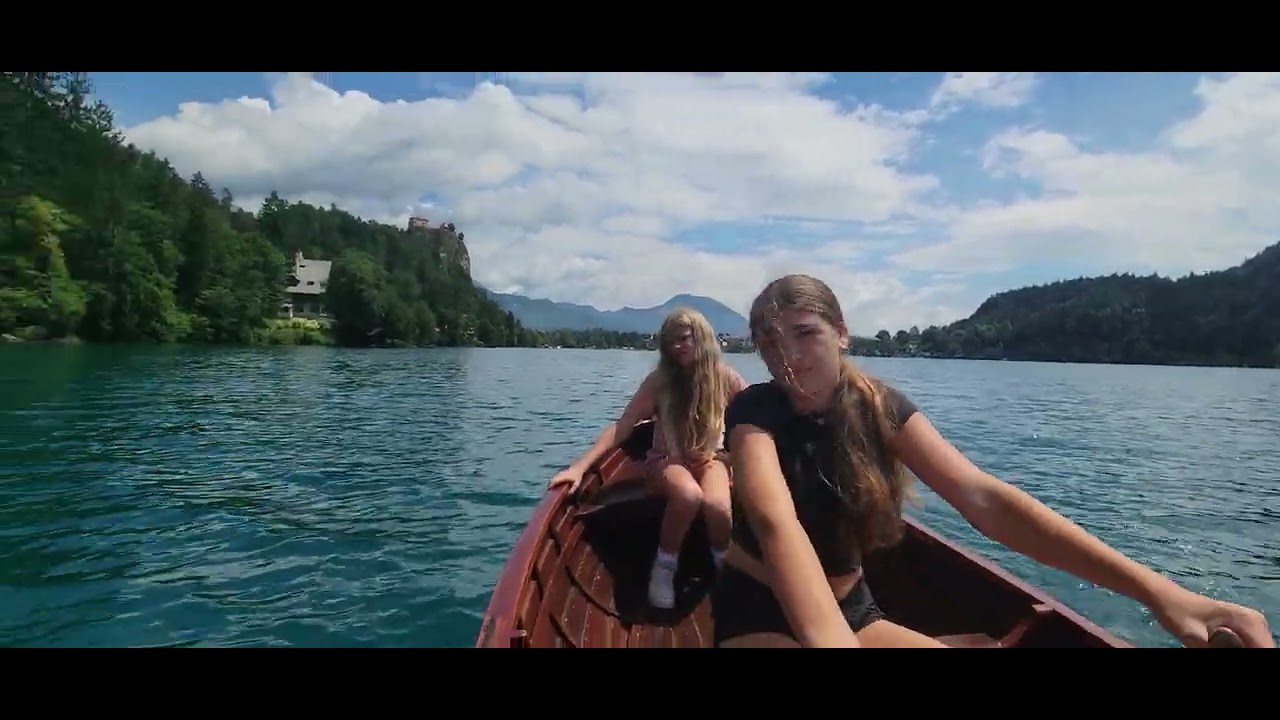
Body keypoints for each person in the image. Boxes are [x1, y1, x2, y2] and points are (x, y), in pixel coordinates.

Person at [711, 273, 1274, 649]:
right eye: (768, 342)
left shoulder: (878, 407)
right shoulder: (753, 409)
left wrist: (1162, 593)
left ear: (841, 334)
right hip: (762, 607)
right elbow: (773, 519)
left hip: (854, 608)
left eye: (804, 334)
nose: (786, 357)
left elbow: (982, 498)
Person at [548, 307, 749, 609]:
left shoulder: (725, 377)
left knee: (718, 504)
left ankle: (724, 565)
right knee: (688, 495)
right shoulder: (659, 381)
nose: (677, 346)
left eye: (684, 338)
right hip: (667, 460)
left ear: (703, 338)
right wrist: (578, 468)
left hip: (712, 458)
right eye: (670, 341)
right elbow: (624, 424)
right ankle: (664, 567)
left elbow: (753, 418)